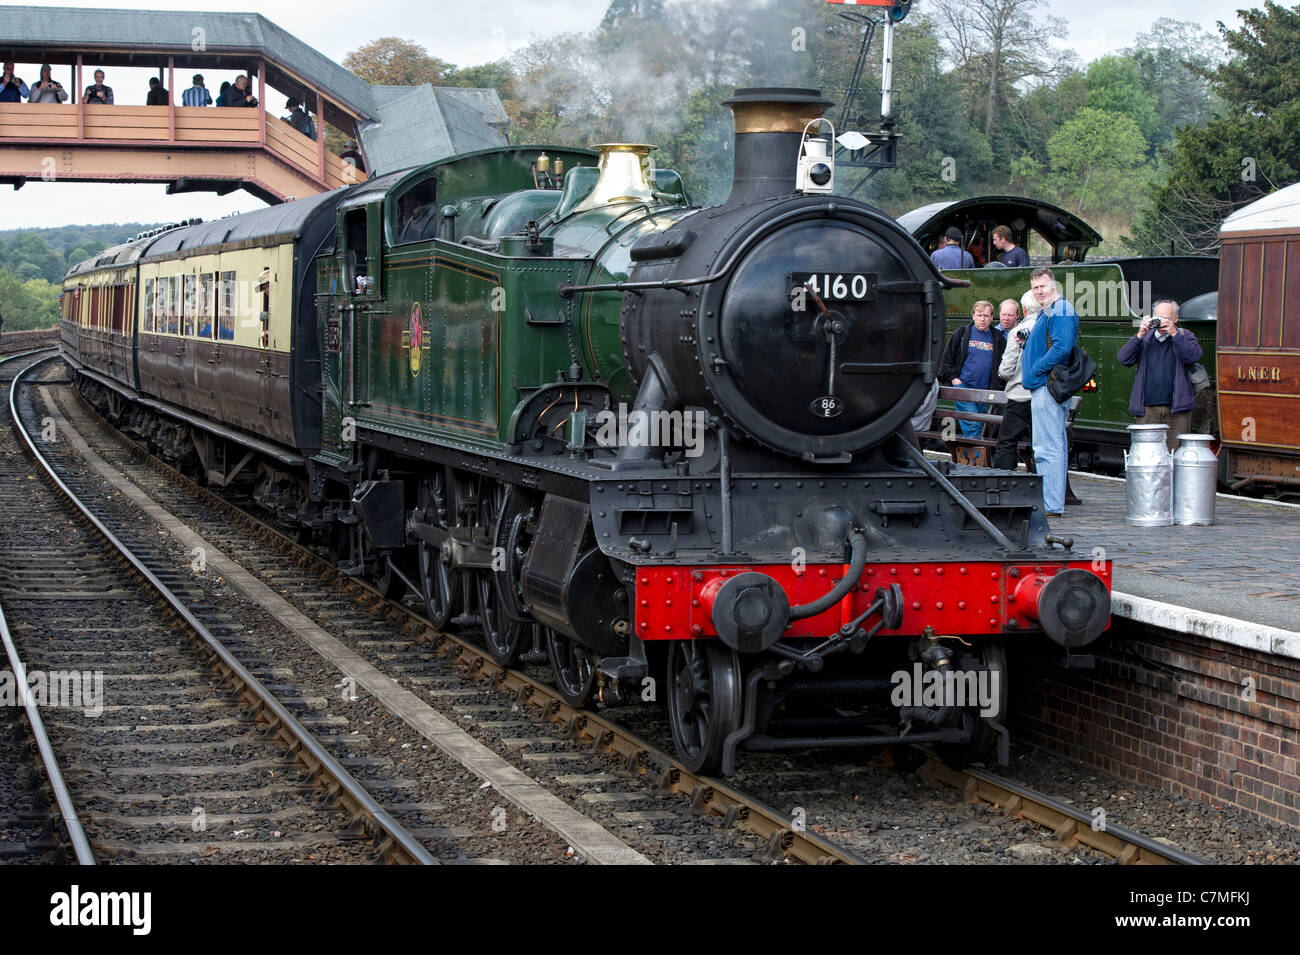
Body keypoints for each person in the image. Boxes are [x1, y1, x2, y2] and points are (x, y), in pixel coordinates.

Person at [1022, 267, 1079, 517]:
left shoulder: (1061, 310)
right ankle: (1052, 501)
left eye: (1043, 286)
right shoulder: (1051, 311)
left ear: (1054, 285)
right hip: (1045, 385)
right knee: (1053, 444)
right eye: (1035, 288)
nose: (1039, 291)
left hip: (1046, 386)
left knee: (1047, 447)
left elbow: (1062, 348)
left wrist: (1036, 367)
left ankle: (1050, 504)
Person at [1116, 299, 1203, 452]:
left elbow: (1193, 356)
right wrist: (1139, 334)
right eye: (1158, 318)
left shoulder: (1185, 336)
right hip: (1148, 409)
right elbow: (1123, 358)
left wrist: (1174, 334)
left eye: (1166, 318)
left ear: (1175, 319)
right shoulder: (1145, 339)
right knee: (1147, 454)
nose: (1162, 322)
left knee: (1175, 455)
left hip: (1177, 410)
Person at [938, 300, 1006, 439]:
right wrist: (954, 380)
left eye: (986, 316)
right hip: (964, 389)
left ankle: (970, 458)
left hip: (986, 392)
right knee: (973, 425)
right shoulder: (961, 333)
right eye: (979, 315)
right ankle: (976, 459)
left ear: (992, 317)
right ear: (973, 315)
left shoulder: (998, 338)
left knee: (980, 426)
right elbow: (946, 361)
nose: (983, 319)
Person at [992, 292, 1040, 470]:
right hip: (1042, 395)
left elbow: (1006, 370)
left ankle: (1003, 480)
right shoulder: (1048, 327)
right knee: (1040, 442)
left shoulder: (1017, 332)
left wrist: (1004, 374)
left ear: (1024, 309)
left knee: (1007, 441)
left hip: (1020, 394)